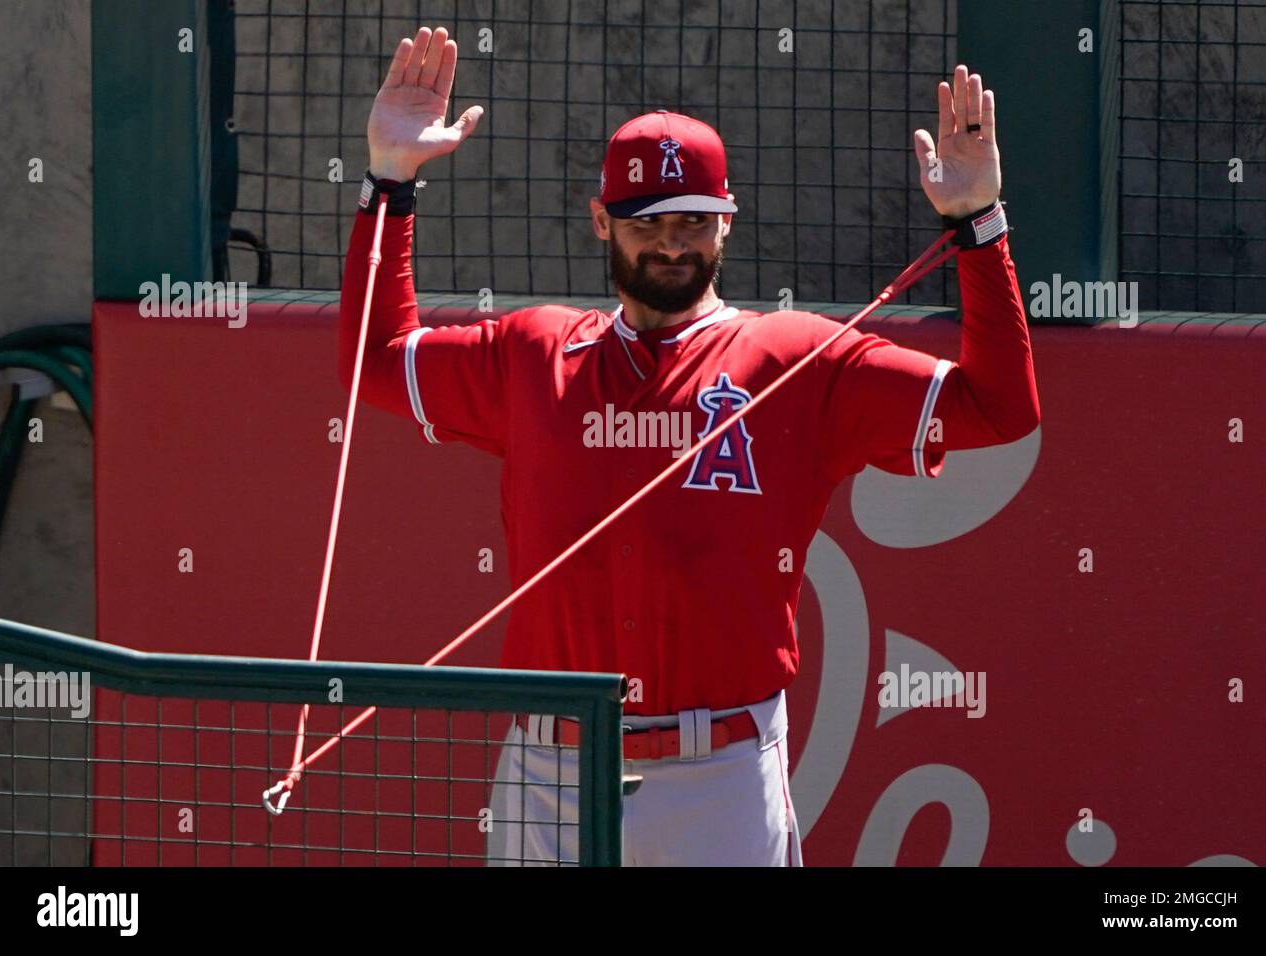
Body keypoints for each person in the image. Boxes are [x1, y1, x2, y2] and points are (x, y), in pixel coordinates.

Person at [339, 25, 1039, 866]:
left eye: (694, 220)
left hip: (720, 777)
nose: (673, 241)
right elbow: (377, 366)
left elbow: (997, 410)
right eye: (647, 220)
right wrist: (389, 180)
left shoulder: (798, 359)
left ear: (728, 224)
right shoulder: (534, 354)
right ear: (602, 220)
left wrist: (980, 225)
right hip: (551, 768)